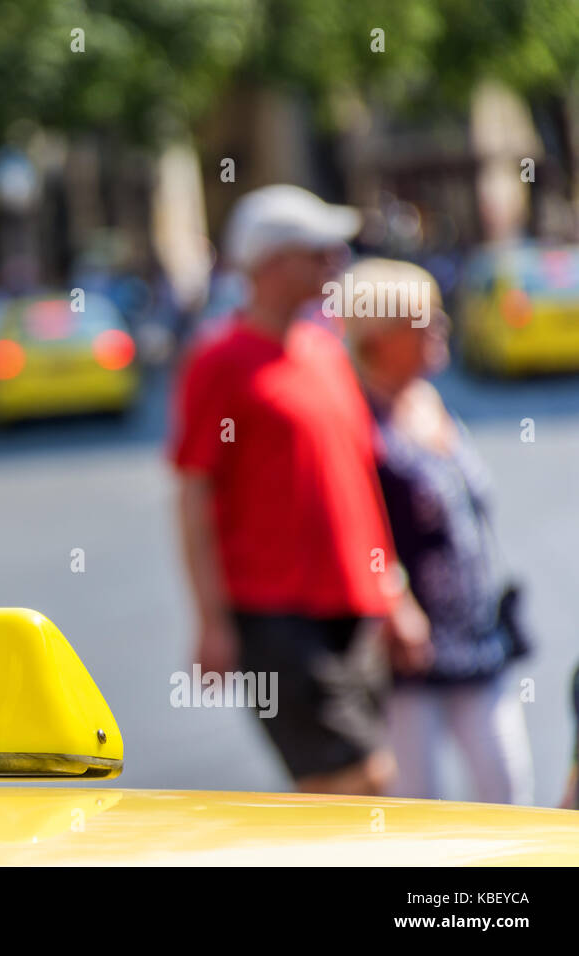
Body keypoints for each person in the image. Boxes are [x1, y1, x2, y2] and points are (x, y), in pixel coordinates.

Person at [171, 185, 431, 796]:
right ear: (273, 263)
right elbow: (193, 496)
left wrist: (392, 590)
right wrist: (211, 621)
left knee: (354, 794)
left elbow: (359, 480)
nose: (333, 261)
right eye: (317, 251)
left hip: (353, 608)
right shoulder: (220, 362)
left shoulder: (324, 351)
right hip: (278, 614)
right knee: (352, 783)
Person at [345, 257, 534, 805]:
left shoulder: (426, 399)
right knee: (416, 807)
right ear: (378, 339)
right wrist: (392, 600)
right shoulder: (359, 421)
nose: (441, 328)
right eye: (423, 321)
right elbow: (352, 525)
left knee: (505, 789)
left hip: (477, 635)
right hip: (411, 650)